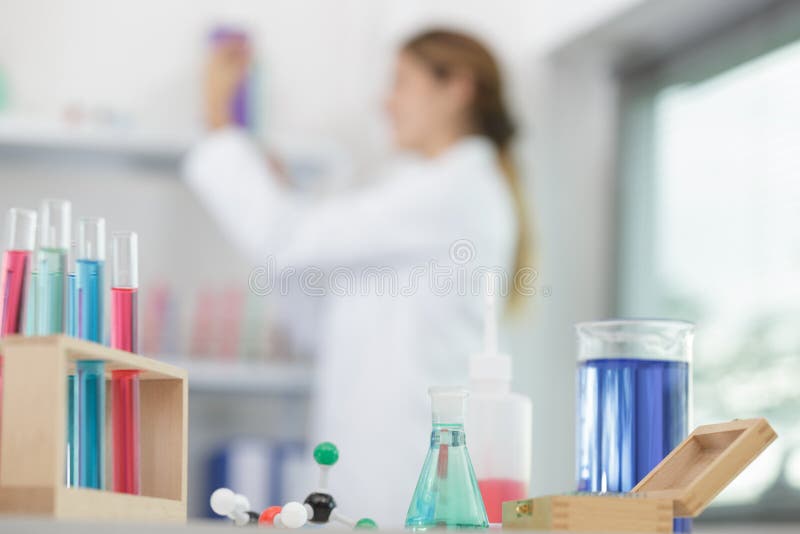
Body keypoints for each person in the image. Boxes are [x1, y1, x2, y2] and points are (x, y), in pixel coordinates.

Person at [184, 28, 531, 525]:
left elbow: (286, 237)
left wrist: (219, 124)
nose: (385, 101)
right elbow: (314, 307)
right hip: (379, 461)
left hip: (403, 467)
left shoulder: (454, 190)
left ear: (456, 88)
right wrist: (279, 195)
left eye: (401, 82)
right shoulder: (428, 191)